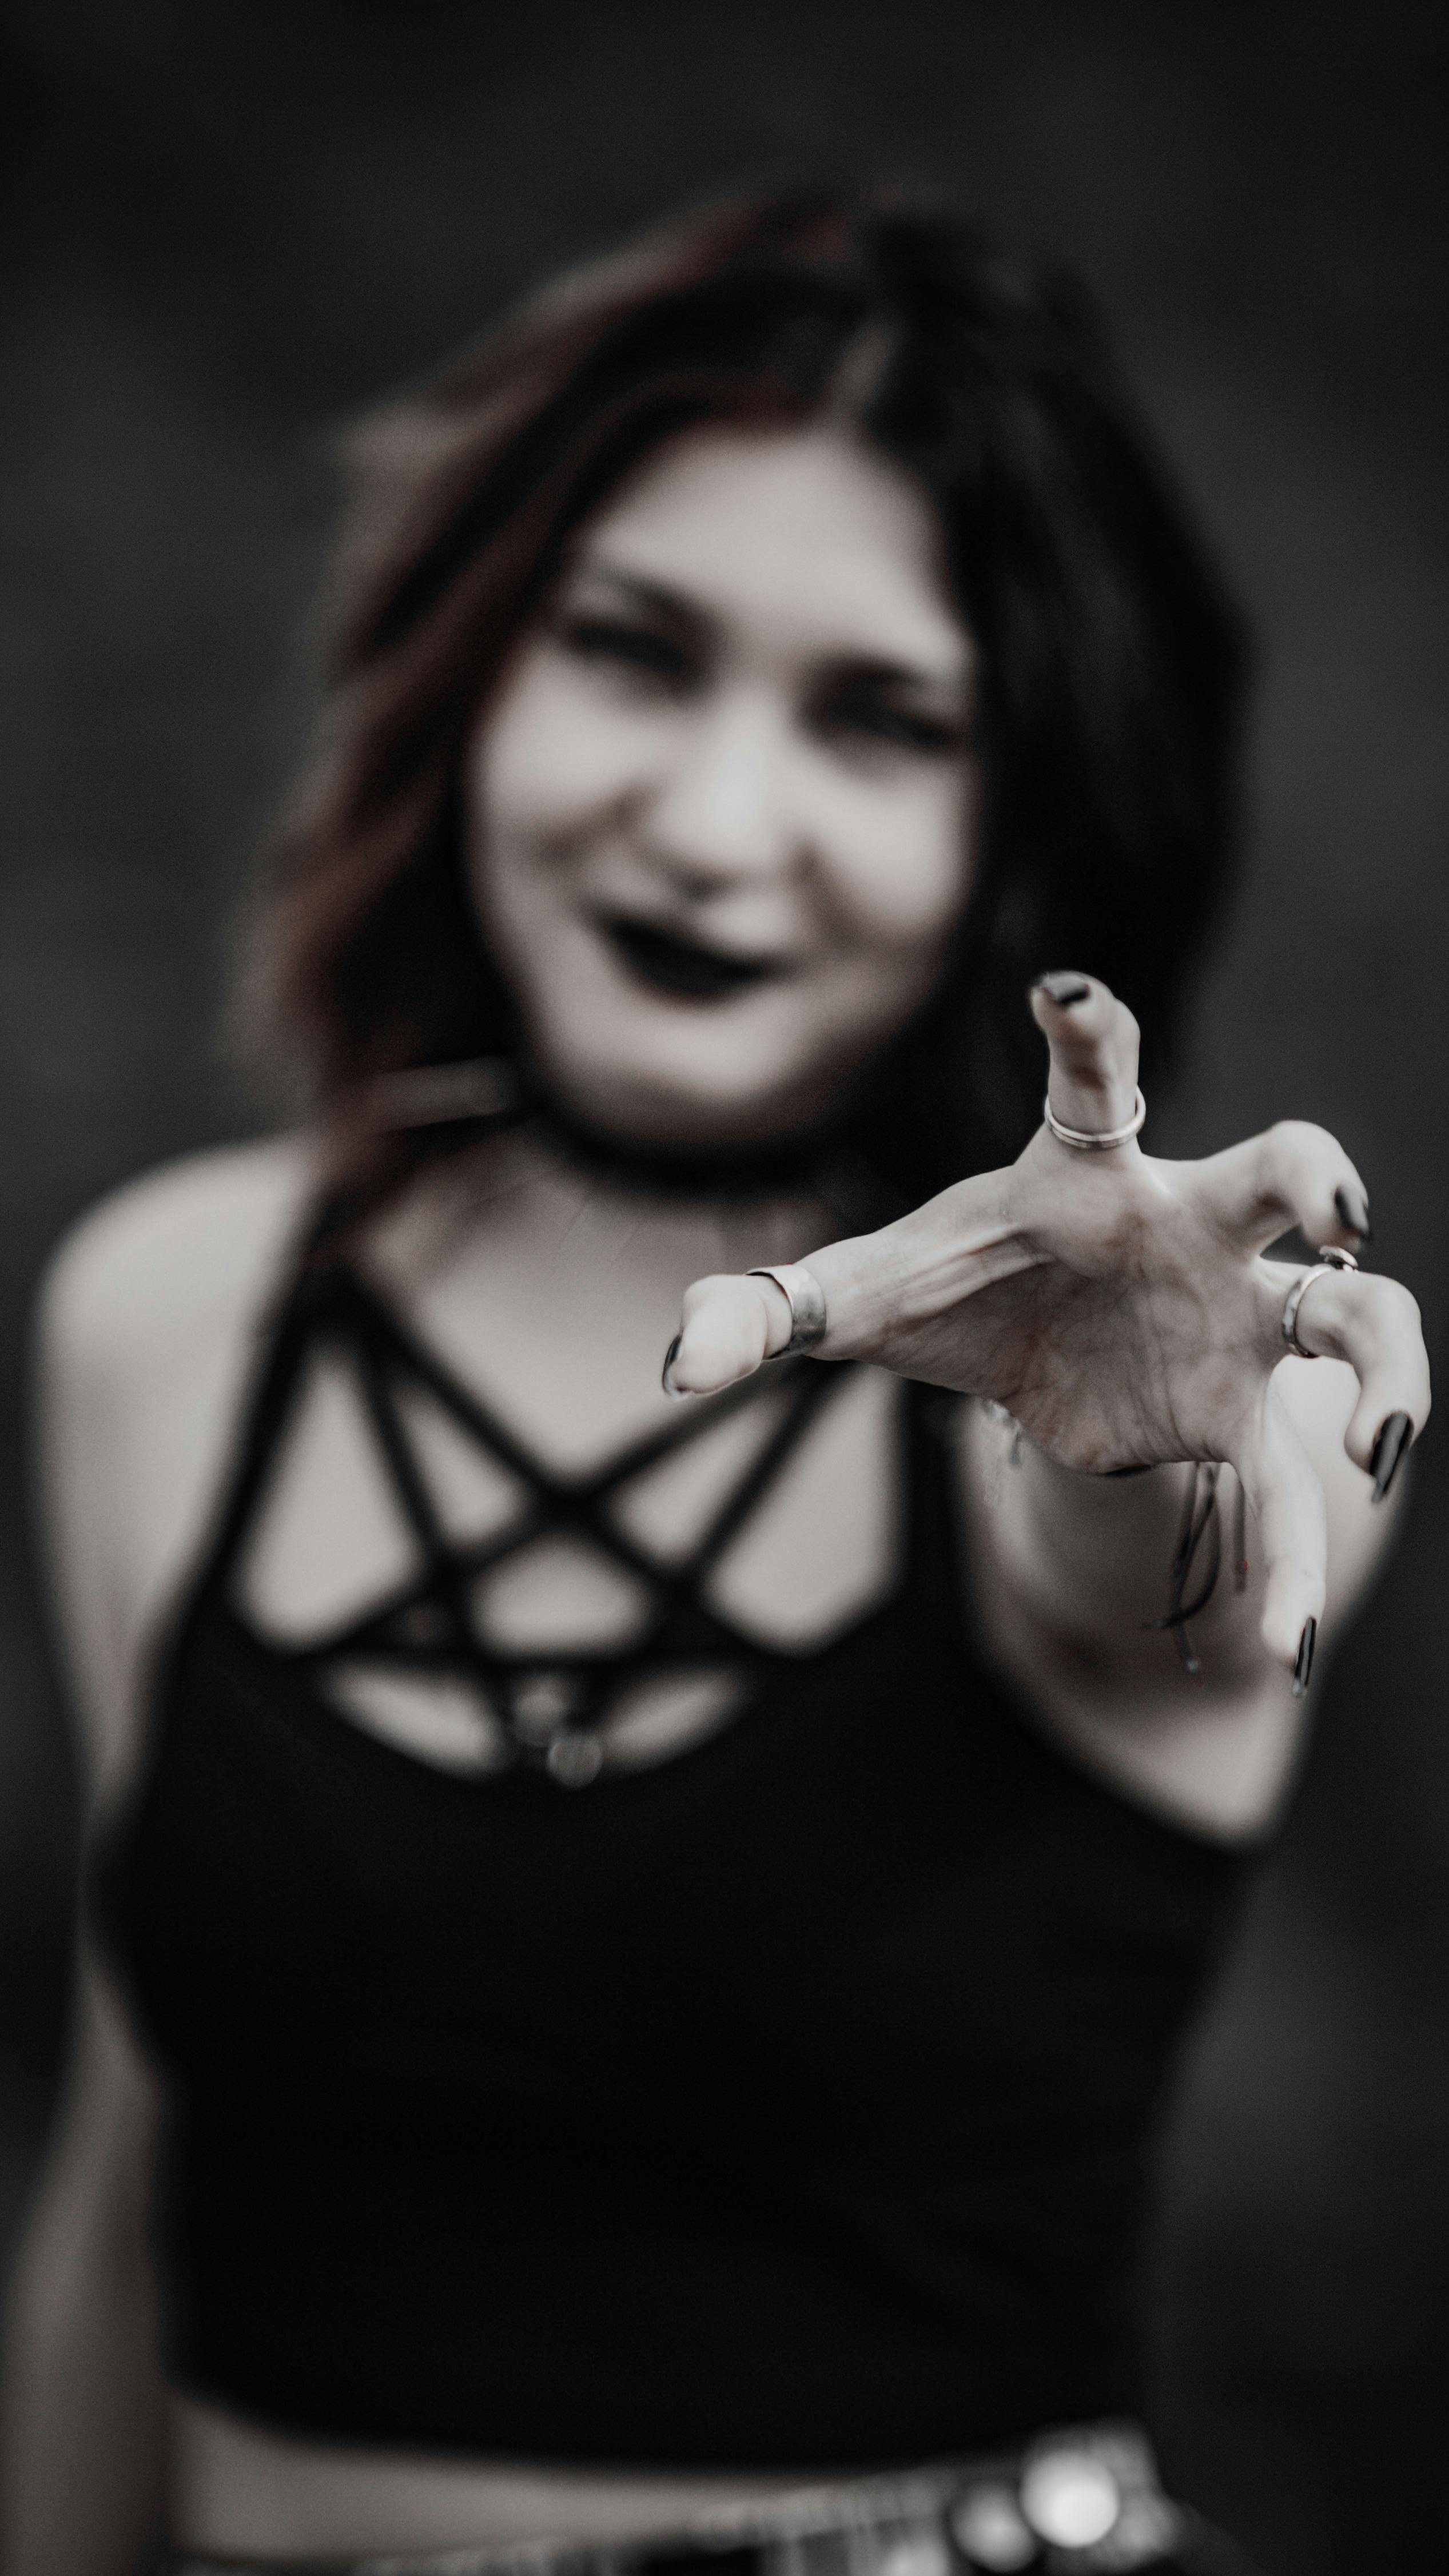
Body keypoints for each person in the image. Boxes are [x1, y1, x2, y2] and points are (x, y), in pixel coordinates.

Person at [0, 187, 1429, 2576]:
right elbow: (126, 2200)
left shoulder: (1157, 1382)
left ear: (1021, 817)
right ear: (477, 668)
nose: (704, 819)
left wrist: (1125, 1426)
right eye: (630, 651)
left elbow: (1132, 1561)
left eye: (880, 720)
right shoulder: (171, 1315)